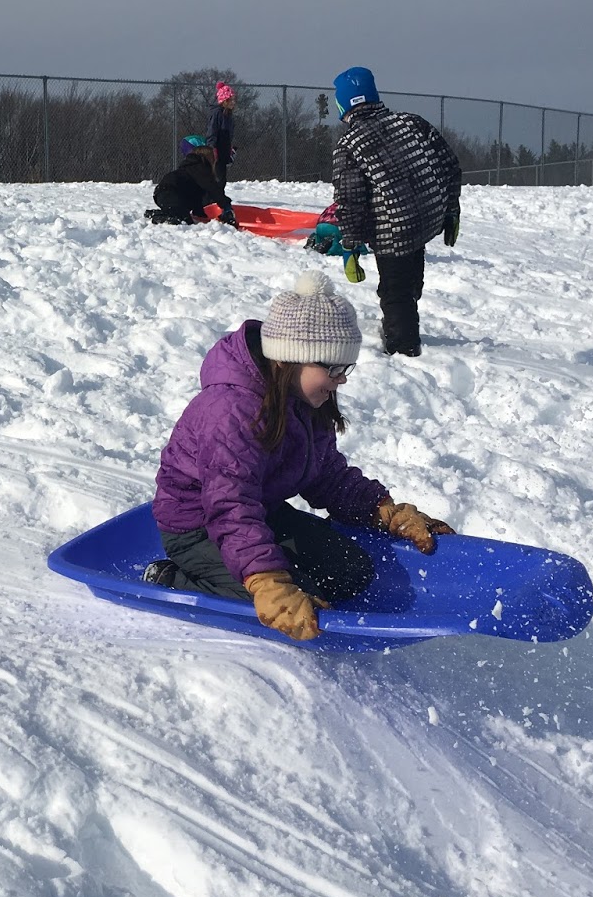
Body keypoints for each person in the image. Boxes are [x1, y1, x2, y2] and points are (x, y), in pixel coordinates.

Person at [143, 270, 454, 643]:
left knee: (352, 571)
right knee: (298, 601)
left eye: (345, 368)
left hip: (262, 513)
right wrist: (267, 580)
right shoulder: (230, 411)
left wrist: (384, 511)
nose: (342, 379)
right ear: (291, 359)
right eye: (333, 368)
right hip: (200, 527)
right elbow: (230, 507)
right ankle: (172, 578)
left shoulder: (304, 400)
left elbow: (326, 475)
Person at [329, 66, 462, 357]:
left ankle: (404, 348)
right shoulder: (412, 123)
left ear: (343, 105)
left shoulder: (349, 145)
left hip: (393, 229)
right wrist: (451, 208)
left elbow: (351, 200)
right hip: (426, 218)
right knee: (410, 272)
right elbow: (449, 165)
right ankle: (409, 303)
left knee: (394, 291)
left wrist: (349, 244)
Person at [147, 135, 236, 226]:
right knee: (183, 221)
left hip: (165, 193)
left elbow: (196, 196)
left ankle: (166, 213)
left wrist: (200, 213)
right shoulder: (199, 169)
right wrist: (226, 205)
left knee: (185, 216)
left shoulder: (192, 169)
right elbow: (212, 188)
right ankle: (158, 216)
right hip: (168, 192)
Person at [206, 82, 238, 188]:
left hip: (224, 150)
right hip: (217, 150)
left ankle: (219, 194)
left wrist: (229, 148)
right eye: (231, 100)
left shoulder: (228, 115)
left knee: (222, 178)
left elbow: (229, 134)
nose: (233, 102)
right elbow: (212, 131)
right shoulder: (217, 114)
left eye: (234, 100)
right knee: (217, 178)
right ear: (224, 101)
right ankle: (213, 196)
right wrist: (212, 148)